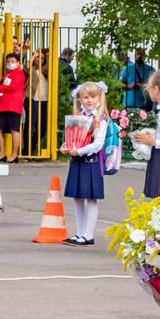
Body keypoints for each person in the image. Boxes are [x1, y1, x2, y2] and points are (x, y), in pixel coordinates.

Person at [61, 81, 109, 247]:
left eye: (93, 96)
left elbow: (99, 144)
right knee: (77, 198)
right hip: (78, 160)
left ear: (99, 98)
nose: (89, 100)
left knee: (91, 198)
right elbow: (71, 138)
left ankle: (88, 235)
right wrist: (65, 147)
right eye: (86, 97)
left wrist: (79, 151)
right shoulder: (79, 116)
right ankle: (80, 233)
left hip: (91, 160)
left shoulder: (100, 119)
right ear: (79, 99)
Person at [0, 52, 26, 163]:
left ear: (18, 63)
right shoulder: (8, 75)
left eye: (12, 61)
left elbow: (12, 87)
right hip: (2, 105)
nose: (10, 63)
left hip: (12, 106)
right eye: (8, 61)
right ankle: (2, 153)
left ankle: (14, 154)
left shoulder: (19, 73)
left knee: (14, 130)